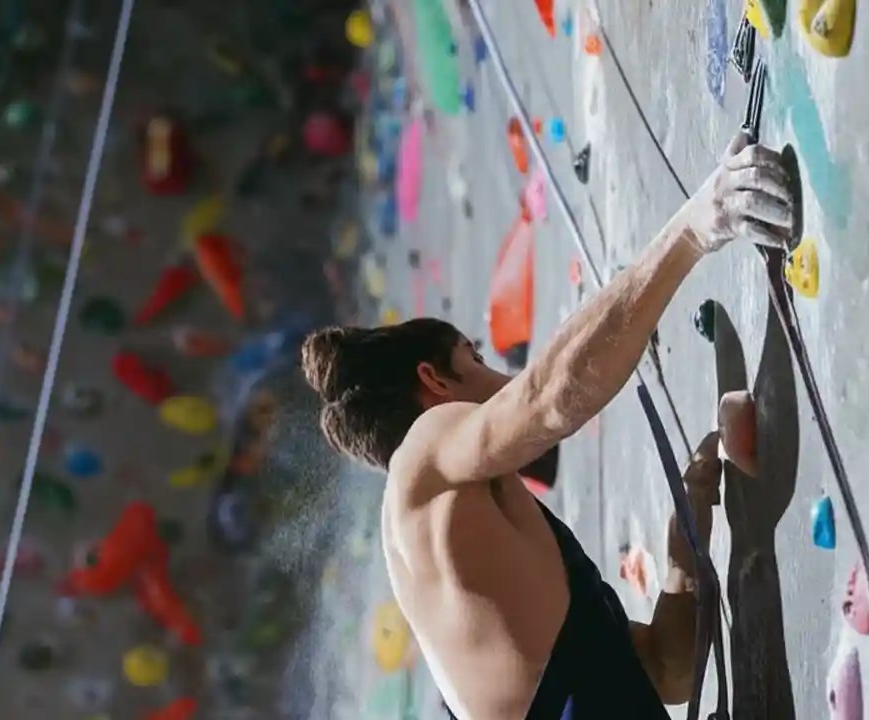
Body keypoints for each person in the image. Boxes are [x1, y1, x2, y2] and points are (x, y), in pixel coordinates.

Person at [301, 132, 793, 719]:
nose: (500, 378)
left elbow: (668, 670)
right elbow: (546, 396)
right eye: (476, 358)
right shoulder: (422, 456)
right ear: (434, 381)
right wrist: (694, 227)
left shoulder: (473, 547)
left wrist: (687, 534)